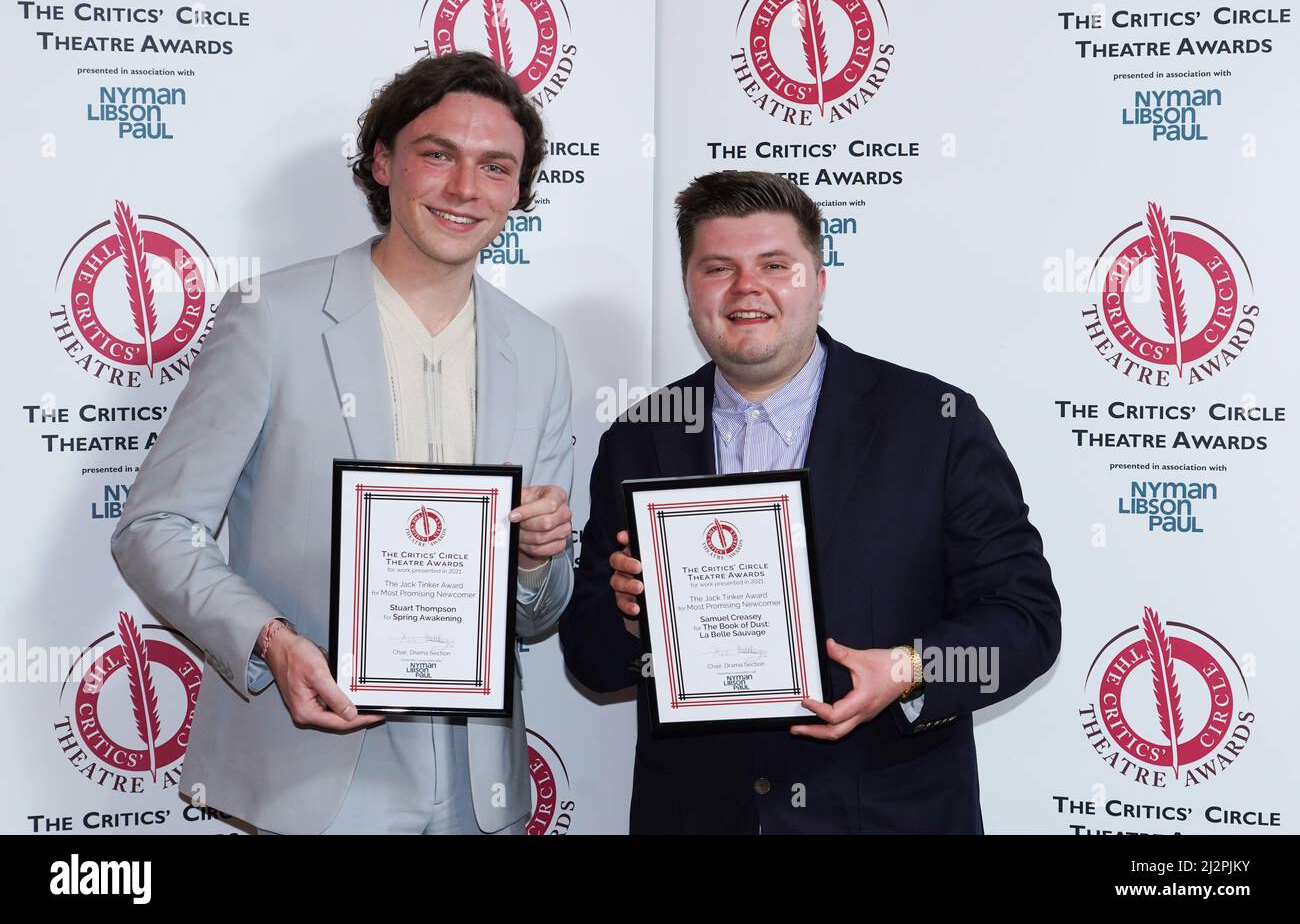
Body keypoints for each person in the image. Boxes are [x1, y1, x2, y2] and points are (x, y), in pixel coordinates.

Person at [111, 51, 575, 835]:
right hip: (314, 780)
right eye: (439, 154)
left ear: (518, 192)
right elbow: (154, 529)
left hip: (481, 790)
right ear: (383, 162)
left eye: (496, 167)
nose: (466, 189)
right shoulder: (271, 316)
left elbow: (537, 614)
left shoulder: (539, 351)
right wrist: (272, 642)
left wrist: (535, 561)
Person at [559, 170, 1061, 833]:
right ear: (689, 288)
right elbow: (589, 658)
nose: (747, 287)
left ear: (818, 284)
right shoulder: (641, 436)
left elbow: (1026, 621)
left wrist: (909, 669)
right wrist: (628, 619)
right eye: (718, 267)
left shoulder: (934, 422)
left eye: (775, 264)